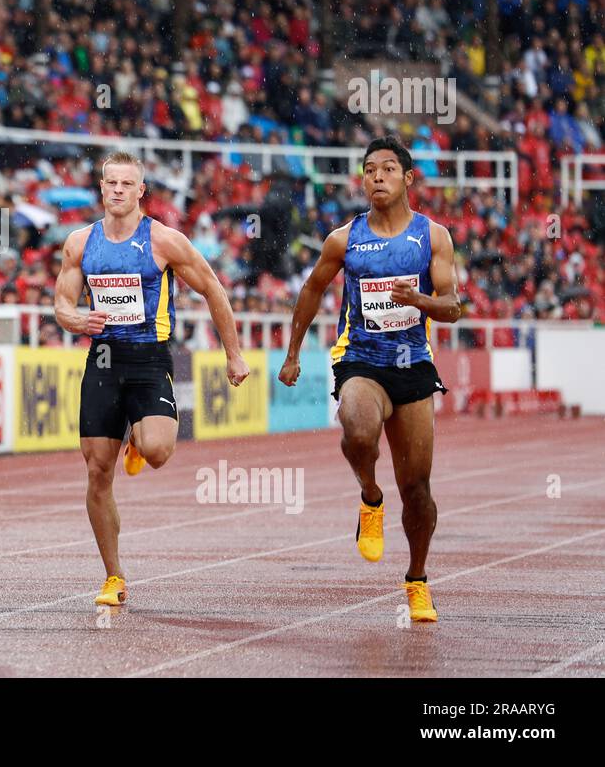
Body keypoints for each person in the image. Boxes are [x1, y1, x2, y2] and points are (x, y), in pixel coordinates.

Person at [54, 151, 249, 608]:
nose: (118, 190)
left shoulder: (163, 241)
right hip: (101, 361)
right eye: (111, 183)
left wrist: (233, 354)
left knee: (159, 451)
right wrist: (76, 319)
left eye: (128, 183)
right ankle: (113, 576)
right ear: (101, 189)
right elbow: (61, 304)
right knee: (98, 471)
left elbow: (213, 289)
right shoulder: (79, 243)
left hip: (148, 360)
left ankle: (139, 440)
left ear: (141, 191)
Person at [278, 136, 461, 623]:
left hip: (413, 365)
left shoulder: (432, 236)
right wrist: (293, 353)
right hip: (360, 359)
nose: (376, 177)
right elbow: (312, 290)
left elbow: (453, 306)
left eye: (386, 169)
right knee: (358, 429)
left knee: (418, 489)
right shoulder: (344, 239)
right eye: (368, 170)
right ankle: (370, 497)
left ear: (407, 178)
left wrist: (417, 300)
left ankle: (417, 580)